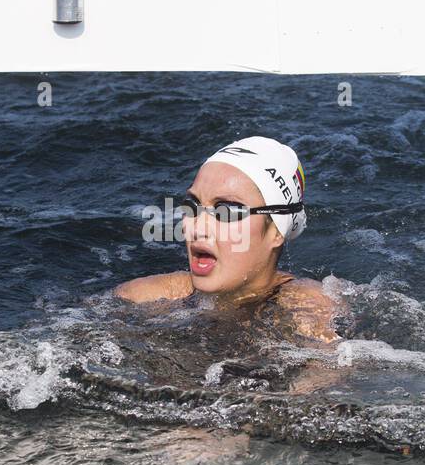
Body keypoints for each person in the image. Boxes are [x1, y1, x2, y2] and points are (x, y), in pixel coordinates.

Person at [115, 136, 338, 342]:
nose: (197, 227)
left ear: (276, 232)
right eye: (192, 205)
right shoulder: (146, 295)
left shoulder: (307, 305)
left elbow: (324, 375)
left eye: (226, 211)